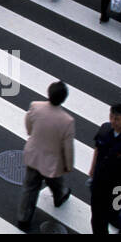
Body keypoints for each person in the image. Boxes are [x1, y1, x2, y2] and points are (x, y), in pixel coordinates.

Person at [16, 81, 74, 231]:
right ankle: (59, 196)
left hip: (34, 155)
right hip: (52, 162)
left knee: (30, 187)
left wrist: (31, 133)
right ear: (63, 98)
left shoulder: (35, 106)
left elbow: (28, 124)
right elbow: (67, 147)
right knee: (55, 181)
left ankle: (23, 218)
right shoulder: (67, 121)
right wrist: (69, 164)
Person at [88, 103, 121, 234]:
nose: (113, 121)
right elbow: (97, 148)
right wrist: (92, 168)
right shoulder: (105, 129)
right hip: (100, 181)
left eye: (117, 119)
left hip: (118, 187)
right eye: (111, 117)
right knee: (97, 218)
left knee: (115, 211)